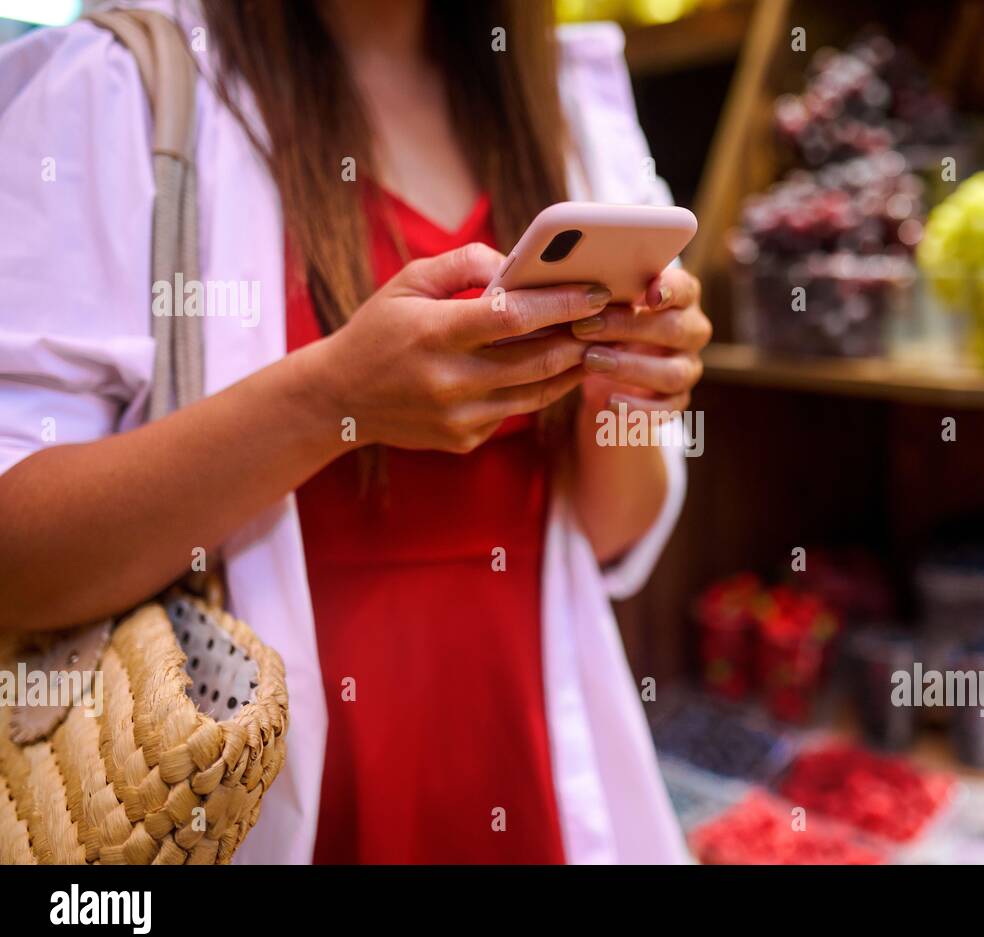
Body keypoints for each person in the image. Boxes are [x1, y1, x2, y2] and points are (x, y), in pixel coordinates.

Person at [0, 0, 710, 863]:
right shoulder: (122, 84)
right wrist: (326, 403)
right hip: (247, 787)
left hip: (530, 767)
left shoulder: (562, 97)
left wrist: (629, 386)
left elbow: (605, 535)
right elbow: (18, 554)